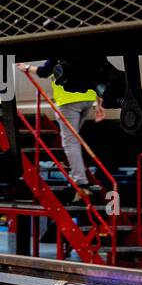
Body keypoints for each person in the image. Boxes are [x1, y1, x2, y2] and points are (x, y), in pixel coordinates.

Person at [34, 58, 111, 190]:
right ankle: (73, 167)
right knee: (74, 139)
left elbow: (44, 71)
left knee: (70, 141)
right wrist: (99, 103)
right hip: (87, 98)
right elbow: (96, 74)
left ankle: (80, 181)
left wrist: (26, 68)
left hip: (68, 101)